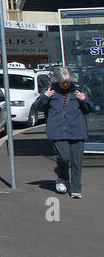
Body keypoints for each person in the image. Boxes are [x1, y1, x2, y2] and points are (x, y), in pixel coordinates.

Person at [31, 67, 92, 199]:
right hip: (57, 131)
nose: (65, 84)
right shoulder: (50, 91)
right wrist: (45, 97)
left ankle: (76, 189)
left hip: (77, 131)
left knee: (77, 161)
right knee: (64, 157)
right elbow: (37, 107)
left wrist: (84, 99)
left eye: (67, 81)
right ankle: (62, 176)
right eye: (63, 82)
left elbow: (88, 109)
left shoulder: (78, 91)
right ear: (57, 80)